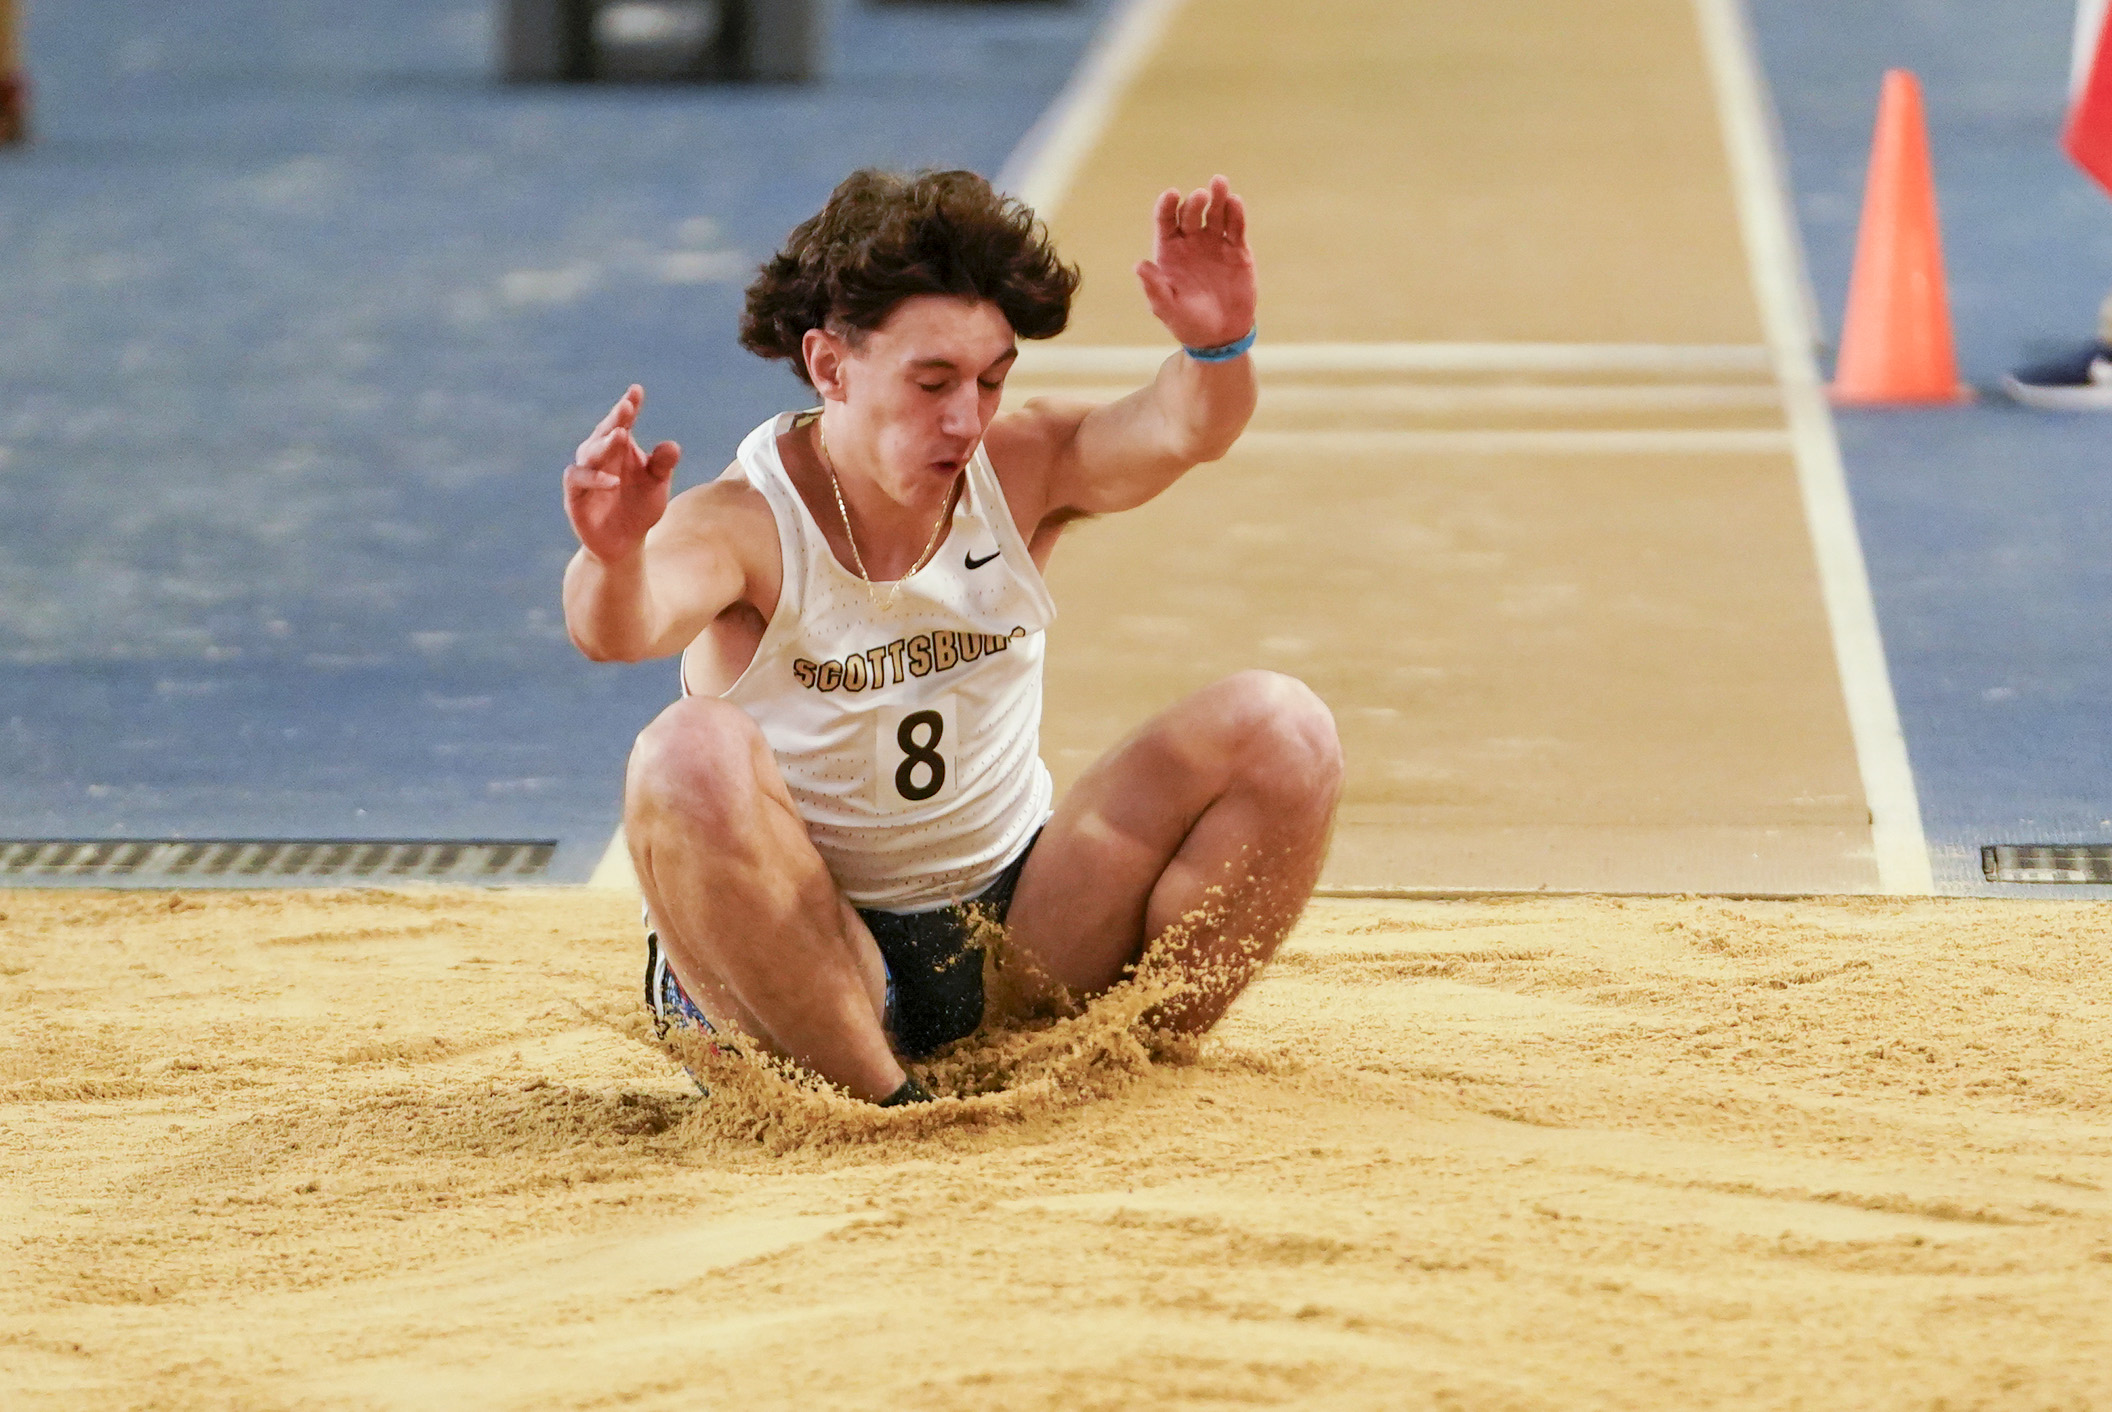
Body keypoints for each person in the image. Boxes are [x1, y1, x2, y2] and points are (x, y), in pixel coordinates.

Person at [560, 169, 1342, 1106]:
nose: (966, 418)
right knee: (682, 755)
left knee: (1284, 731)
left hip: (1014, 925)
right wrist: (611, 556)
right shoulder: (744, 520)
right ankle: (885, 1107)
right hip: (807, 957)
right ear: (830, 365)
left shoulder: (1021, 468)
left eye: (991, 381)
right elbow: (622, 627)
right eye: (931, 383)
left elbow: (1182, 428)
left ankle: (1119, 1078)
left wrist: (1219, 348)